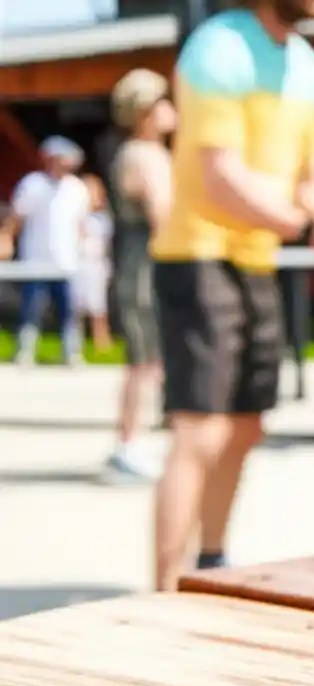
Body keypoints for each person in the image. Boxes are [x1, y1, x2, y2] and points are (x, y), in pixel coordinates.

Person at [151, 0, 314, 590]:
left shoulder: (308, 66)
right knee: (199, 429)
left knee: (247, 423)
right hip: (197, 253)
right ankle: (162, 585)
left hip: (257, 257)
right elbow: (219, 176)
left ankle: (209, 562)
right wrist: (312, 232)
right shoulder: (217, 48)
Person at [104, 67, 176, 481]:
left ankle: (135, 442)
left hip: (148, 264)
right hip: (141, 266)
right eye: (162, 102)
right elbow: (162, 216)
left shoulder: (154, 152)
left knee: (152, 360)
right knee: (143, 361)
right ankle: (127, 444)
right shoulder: (141, 154)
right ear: (146, 110)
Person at [4, 137, 90, 366]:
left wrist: (87, 248)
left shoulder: (77, 188)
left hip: (67, 260)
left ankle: (71, 351)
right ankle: (26, 350)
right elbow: (17, 217)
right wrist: (6, 239)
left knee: (69, 309)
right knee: (32, 306)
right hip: (36, 258)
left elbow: (82, 223)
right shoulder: (33, 184)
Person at [76, 174, 113, 353]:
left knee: (98, 306)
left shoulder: (102, 219)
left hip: (95, 264)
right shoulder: (74, 216)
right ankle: (75, 341)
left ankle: (102, 340)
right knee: (76, 306)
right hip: (77, 264)